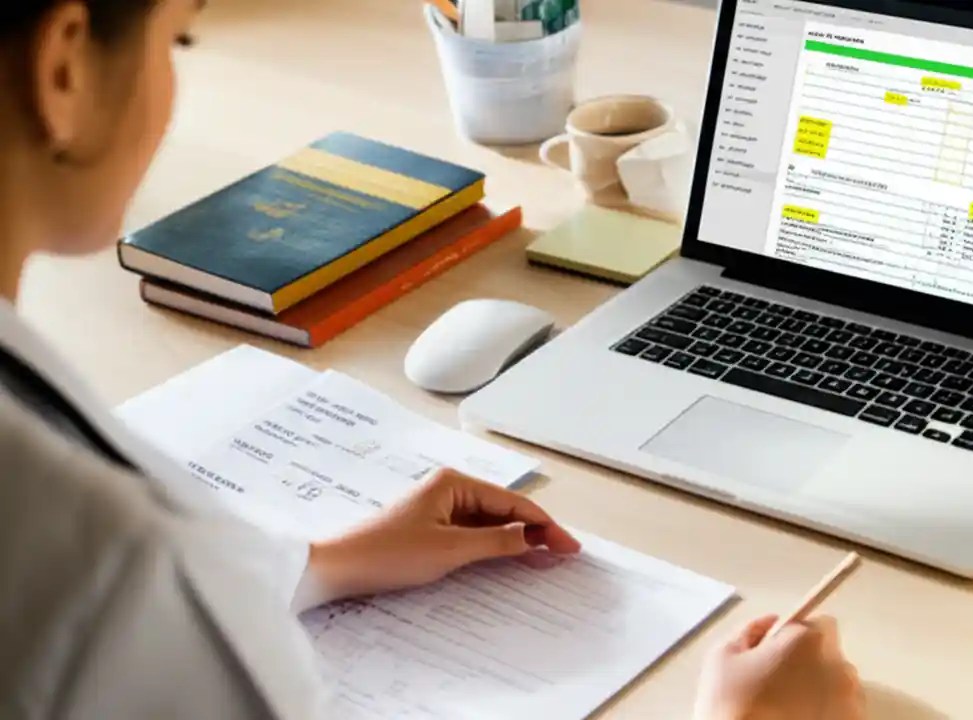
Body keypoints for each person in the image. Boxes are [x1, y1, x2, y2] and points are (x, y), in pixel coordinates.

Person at [0, 1, 868, 718]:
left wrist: (325, 565)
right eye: (175, 34)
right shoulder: (112, 567)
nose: (171, 79)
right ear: (65, 70)